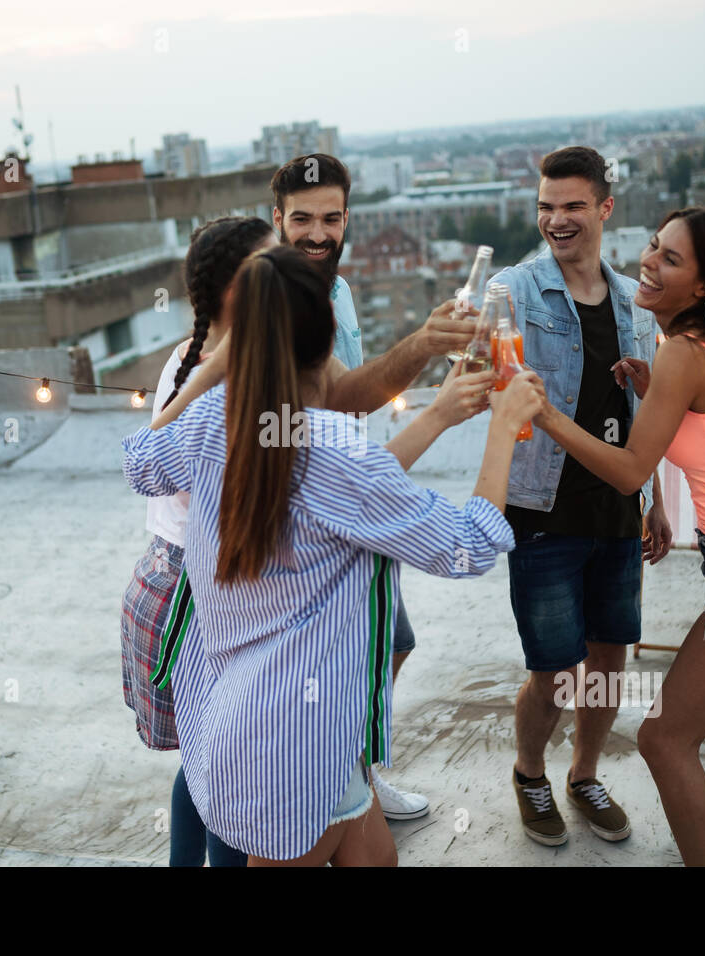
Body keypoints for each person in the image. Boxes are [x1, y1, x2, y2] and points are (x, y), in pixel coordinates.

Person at [123, 245, 541, 865]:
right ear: (326, 342)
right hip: (292, 749)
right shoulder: (335, 452)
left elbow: (138, 460)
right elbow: (468, 545)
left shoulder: (218, 417)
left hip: (267, 726)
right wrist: (504, 430)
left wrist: (208, 376)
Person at [157, 152, 475, 820]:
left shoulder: (335, 294)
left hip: (332, 520)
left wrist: (422, 350)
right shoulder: (263, 311)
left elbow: (343, 398)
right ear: (277, 223)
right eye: (301, 219)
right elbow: (322, 417)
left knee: (381, 648)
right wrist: (433, 385)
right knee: (223, 743)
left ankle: (346, 778)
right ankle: (320, 797)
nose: (318, 234)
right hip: (254, 554)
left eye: (331, 218)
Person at [527, 206, 705, 866]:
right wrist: (658, 390)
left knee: (663, 740)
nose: (649, 262)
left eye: (671, 259)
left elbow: (630, 469)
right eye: (654, 246)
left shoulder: (687, 352)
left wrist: (544, 413)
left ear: (704, 288)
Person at [489, 146, 670, 847]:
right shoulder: (516, 290)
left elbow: (643, 417)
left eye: (570, 206)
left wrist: (654, 500)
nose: (555, 220)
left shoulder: (633, 300)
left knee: (609, 658)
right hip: (541, 508)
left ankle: (583, 774)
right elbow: (486, 373)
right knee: (554, 671)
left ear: (604, 208)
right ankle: (531, 773)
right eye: (545, 206)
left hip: (617, 509)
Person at [119, 216, 275, 867]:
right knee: (231, 781)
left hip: (165, 582)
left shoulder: (194, 357)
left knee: (208, 768)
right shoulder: (221, 377)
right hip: (199, 603)